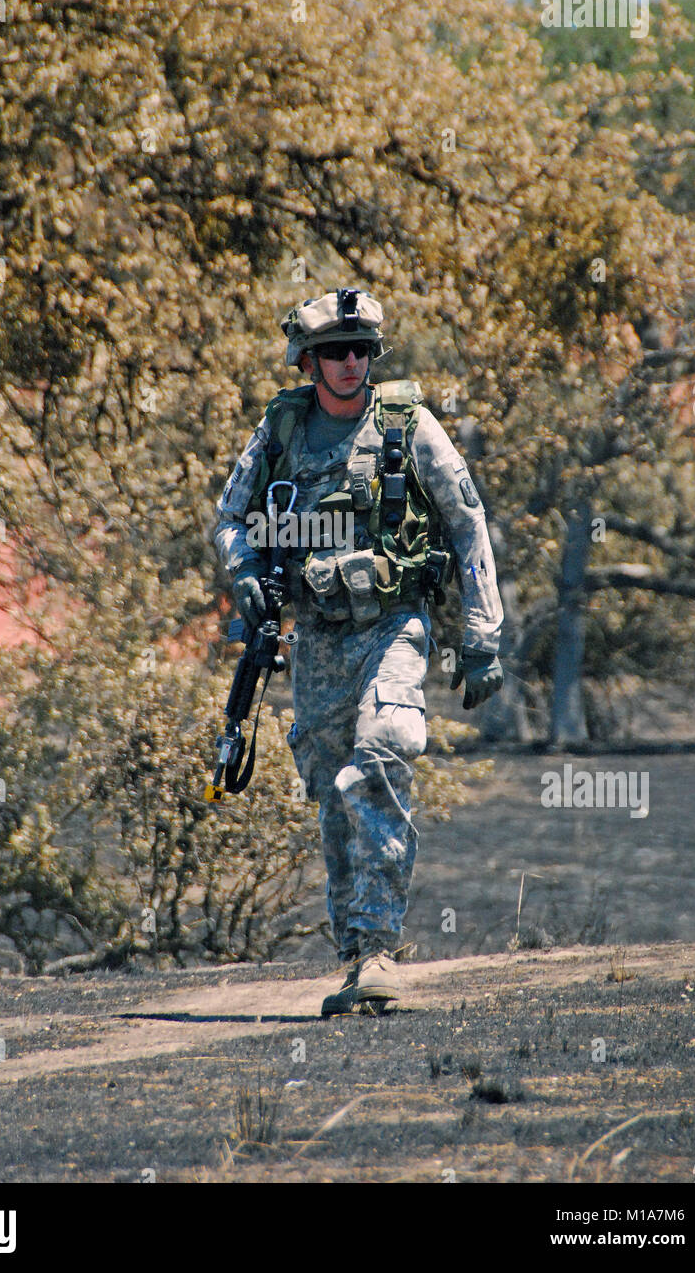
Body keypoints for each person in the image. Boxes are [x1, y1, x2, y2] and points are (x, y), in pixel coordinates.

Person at [212, 288, 504, 1015]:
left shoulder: (409, 427)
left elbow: (468, 526)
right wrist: (245, 570)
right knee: (331, 792)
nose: (350, 363)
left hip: (393, 627)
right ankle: (353, 956)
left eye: (362, 351)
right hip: (315, 639)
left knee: (383, 751)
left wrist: (482, 636)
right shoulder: (282, 430)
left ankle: (378, 948)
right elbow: (229, 518)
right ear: (308, 360)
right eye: (336, 352)